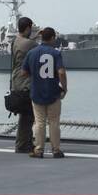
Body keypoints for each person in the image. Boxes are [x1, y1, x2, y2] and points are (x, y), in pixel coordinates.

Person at [23, 27, 67, 159]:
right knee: (54, 122)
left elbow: (24, 72)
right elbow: (61, 72)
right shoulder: (55, 53)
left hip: (36, 92)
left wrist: (34, 74)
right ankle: (56, 150)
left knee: (39, 122)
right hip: (53, 92)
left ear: (42, 37)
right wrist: (64, 88)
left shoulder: (31, 53)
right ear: (52, 38)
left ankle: (39, 149)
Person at [9, 16, 37, 153]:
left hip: (16, 81)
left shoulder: (15, 40)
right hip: (25, 82)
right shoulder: (30, 44)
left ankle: (23, 142)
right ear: (27, 28)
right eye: (31, 28)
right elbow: (39, 48)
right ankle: (23, 144)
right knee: (28, 115)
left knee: (24, 114)